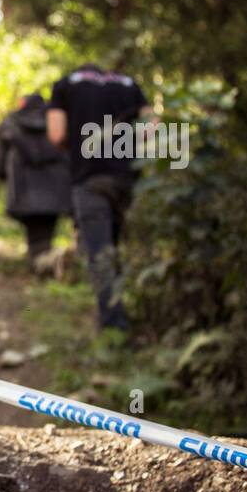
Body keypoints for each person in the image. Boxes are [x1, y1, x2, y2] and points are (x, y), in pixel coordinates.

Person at [46, 63, 150, 331]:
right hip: (126, 178)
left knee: (99, 252)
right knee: (115, 246)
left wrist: (80, 149)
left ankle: (114, 327)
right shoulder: (129, 83)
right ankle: (125, 311)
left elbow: (56, 133)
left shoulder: (66, 84)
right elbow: (151, 129)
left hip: (90, 178)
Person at [0, 92, 71, 272]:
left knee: (34, 231)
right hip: (55, 189)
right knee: (46, 231)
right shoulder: (57, 122)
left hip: (23, 190)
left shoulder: (10, 124)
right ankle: (46, 263)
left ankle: (41, 263)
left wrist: (3, 176)